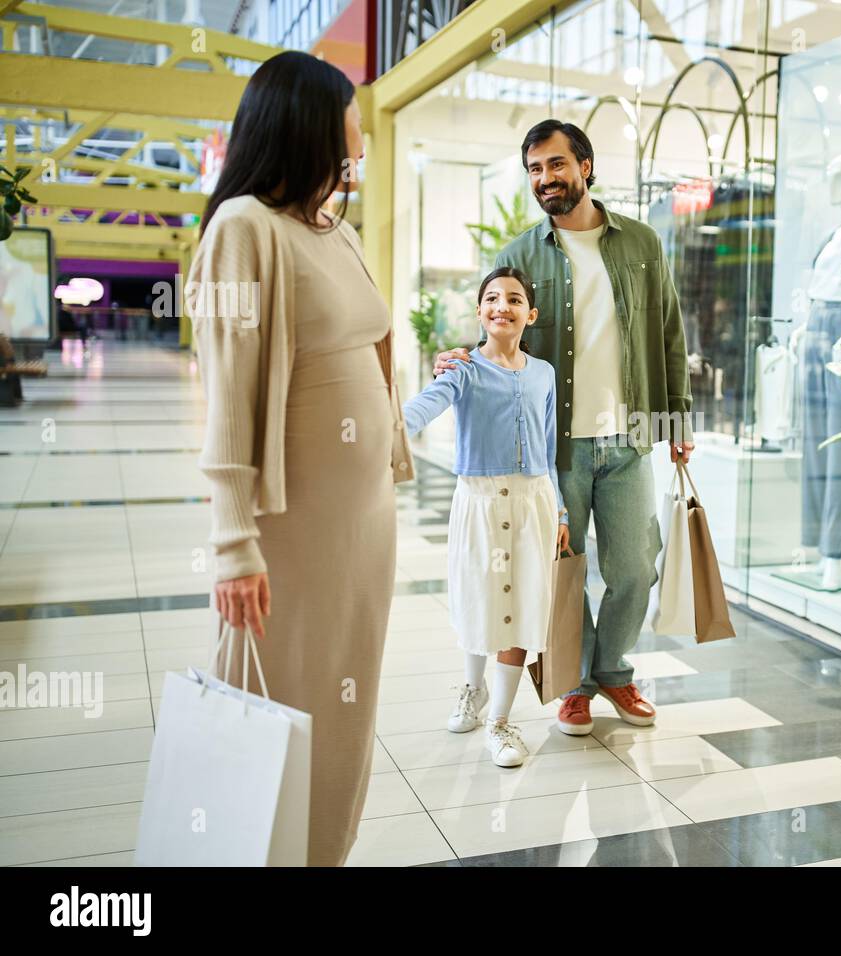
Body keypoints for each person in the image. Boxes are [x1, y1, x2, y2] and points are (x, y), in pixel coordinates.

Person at [189, 50, 414, 865]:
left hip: (363, 526)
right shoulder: (243, 228)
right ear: (306, 123)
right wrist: (232, 543)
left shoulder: (333, 227)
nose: (359, 130)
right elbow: (229, 396)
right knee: (277, 705)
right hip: (291, 531)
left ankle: (324, 852)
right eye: (349, 114)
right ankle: (260, 853)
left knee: (345, 706)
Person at [433, 120, 693, 736]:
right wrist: (459, 362)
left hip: (628, 436)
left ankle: (615, 671)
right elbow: (498, 336)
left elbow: (669, 332)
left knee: (635, 566)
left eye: (555, 165)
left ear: (585, 165)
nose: (544, 179)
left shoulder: (642, 245)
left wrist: (677, 417)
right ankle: (574, 683)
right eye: (534, 170)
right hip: (556, 448)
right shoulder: (521, 255)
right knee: (564, 569)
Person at [403, 267, 569, 767]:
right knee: (479, 599)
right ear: (479, 312)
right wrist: (386, 424)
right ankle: (472, 691)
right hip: (479, 501)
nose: (503, 306)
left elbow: (548, 446)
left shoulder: (543, 373)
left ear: (530, 315)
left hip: (533, 501)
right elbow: (425, 407)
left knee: (523, 609)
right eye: (492, 298)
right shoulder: (462, 368)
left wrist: (558, 509)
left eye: (515, 299)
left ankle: (499, 720)